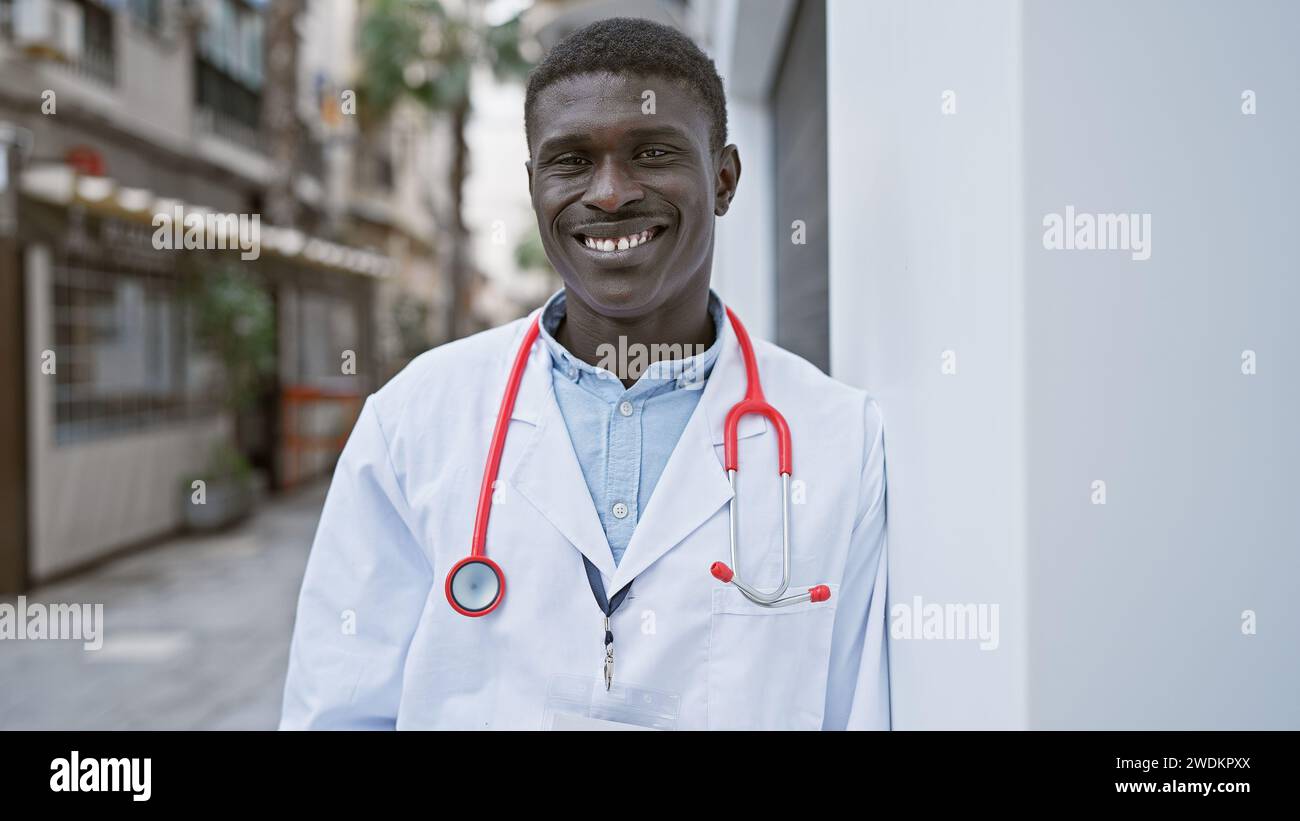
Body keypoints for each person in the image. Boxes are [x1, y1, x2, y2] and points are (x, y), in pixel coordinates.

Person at [280, 16, 888, 730]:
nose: (609, 193)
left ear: (723, 179)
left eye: (652, 152)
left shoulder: (838, 438)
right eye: (571, 161)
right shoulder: (414, 418)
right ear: (535, 186)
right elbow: (338, 708)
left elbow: (858, 707)